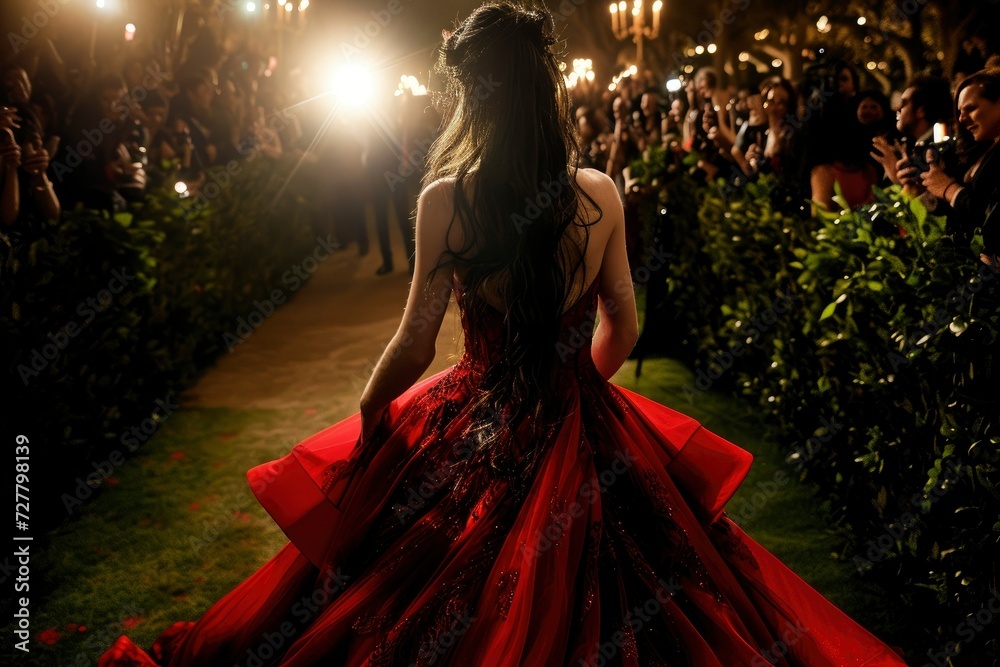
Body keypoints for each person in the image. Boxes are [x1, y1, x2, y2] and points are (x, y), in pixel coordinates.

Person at [99, 4, 909, 666]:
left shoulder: (448, 197)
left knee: (399, 591)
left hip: (477, 413)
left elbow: (416, 340)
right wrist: (578, 389)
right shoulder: (598, 191)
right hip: (579, 411)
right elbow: (623, 322)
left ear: (473, 97)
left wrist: (374, 411)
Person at [913, 68, 1000, 270]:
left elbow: (990, 217)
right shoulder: (979, 150)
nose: (962, 119)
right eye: (960, 112)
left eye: (970, 109)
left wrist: (949, 189)